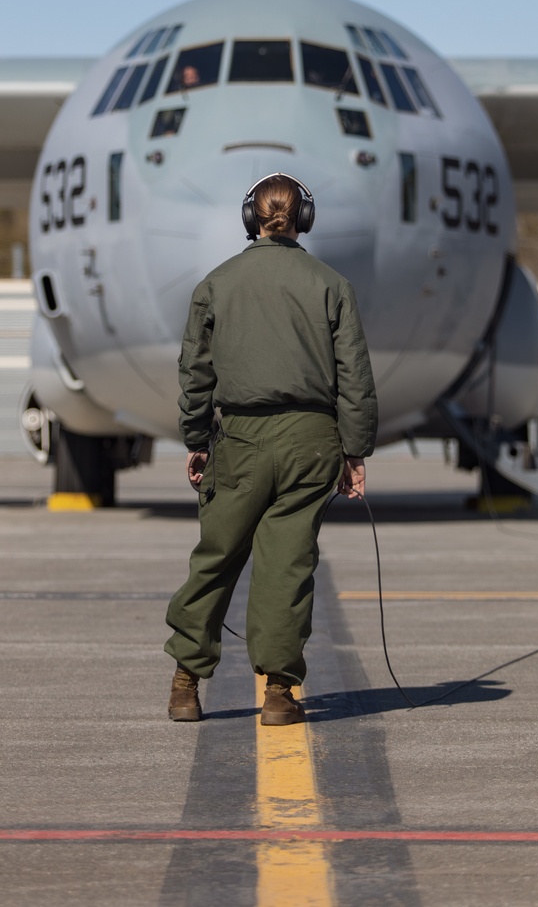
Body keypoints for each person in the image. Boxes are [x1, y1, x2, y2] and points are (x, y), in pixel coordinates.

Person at [164, 173, 378, 726]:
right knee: (287, 564)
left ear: (250, 217)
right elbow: (354, 376)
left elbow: (195, 373)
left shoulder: (216, 284)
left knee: (216, 557)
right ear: (302, 219)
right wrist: (354, 453)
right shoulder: (332, 285)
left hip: (238, 439)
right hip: (311, 443)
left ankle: (186, 683)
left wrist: (195, 440)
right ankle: (279, 693)